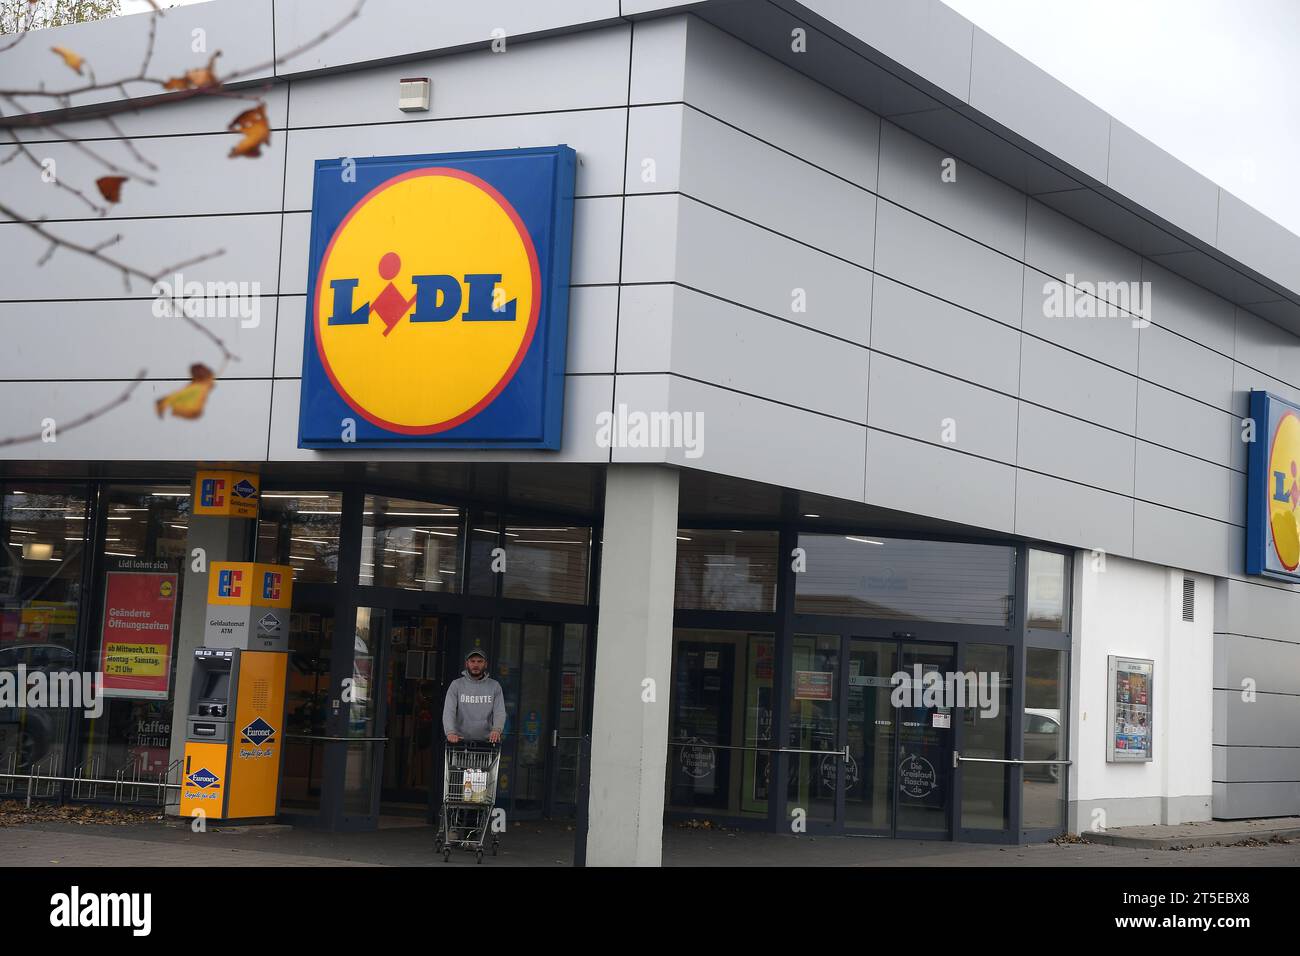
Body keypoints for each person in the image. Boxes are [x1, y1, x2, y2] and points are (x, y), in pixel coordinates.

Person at [443, 649, 505, 745]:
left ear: (486, 664)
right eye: (472, 661)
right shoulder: (456, 685)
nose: (476, 665)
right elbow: (449, 711)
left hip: (487, 742)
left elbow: (499, 711)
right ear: (466, 664)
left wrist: (497, 730)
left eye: (480, 661)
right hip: (460, 741)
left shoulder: (494, 686)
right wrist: (450, 732)